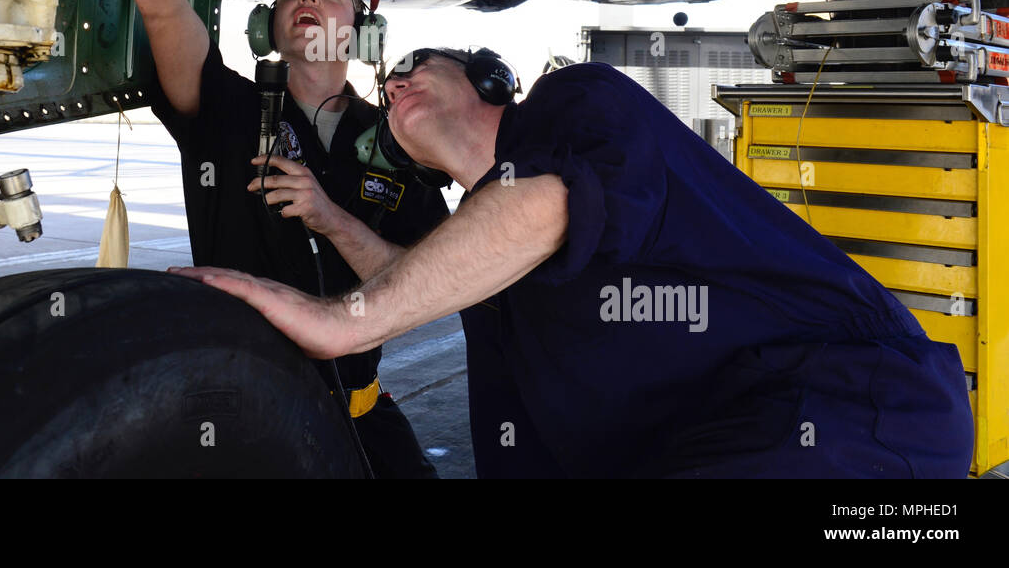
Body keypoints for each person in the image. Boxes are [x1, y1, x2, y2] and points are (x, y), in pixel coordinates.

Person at [173, 48, 976, 478]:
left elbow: (549, 201)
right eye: (391, 85)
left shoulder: (575, 105)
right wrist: (325, 215)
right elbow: (415, 270)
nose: (397, 80)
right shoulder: (498, 268)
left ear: (486, 79)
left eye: (421, 62)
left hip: (858, 417)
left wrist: (340, 322)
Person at [99, 0, 447, 478]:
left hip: (356, 414)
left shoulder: (400, 142)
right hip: (241, 416)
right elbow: (162, 2)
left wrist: (329, 216)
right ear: (272, 26)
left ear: (360, 29)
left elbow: (426, 281)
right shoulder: (225, 107)